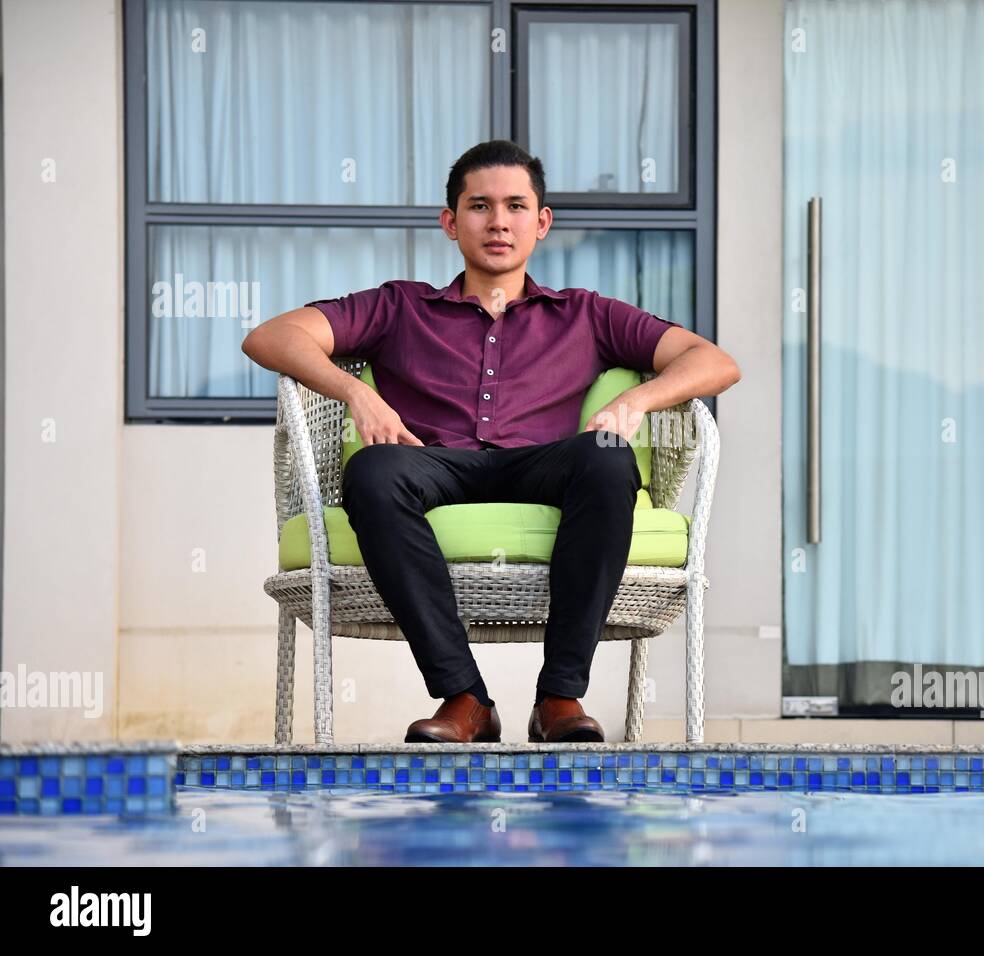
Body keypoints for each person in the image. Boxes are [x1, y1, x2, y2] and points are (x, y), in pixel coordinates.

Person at [242, 140, 741, 743]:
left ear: (541, 222)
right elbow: (272, 338)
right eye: (479, 206)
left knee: (608, 459)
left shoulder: (586, 314)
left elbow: (713, 362)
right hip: (432, 463)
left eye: (515, 206)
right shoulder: (401, 307)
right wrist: (357, 395)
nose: (498, 222)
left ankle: (559, 696)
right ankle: (465, 699)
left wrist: (633, 401)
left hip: (543, 463)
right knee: (373, 473)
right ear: (451, 222)